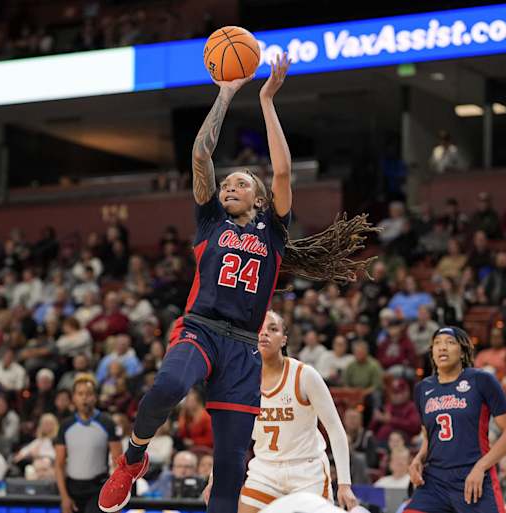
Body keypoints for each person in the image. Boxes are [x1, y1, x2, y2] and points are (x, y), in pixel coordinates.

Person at [98, 54, 376, 513]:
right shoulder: (209, 220)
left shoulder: (274, 230)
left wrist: (267, 99)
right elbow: (201, 154)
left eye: (241, 183)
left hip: (244, 346)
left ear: (259, 197)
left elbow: (283, 171)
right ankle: (131, 460)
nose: (228, 186)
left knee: (229, 473)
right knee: (168, 387)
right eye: (226, 183)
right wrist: (226, 93)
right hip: (201, 328)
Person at [204, 311, 358, 512]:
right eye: (259, 329)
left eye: (273, 329)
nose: (264, 334)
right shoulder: (241, 380)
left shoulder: (304, 375)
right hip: (265, 470)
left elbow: (335, 429)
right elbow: (230, 438)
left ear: (284, 340)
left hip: (306, 470)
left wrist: (345, 484)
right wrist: (215, 478)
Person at [406, 327, 506, 513]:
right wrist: (419, 458)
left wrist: (480, 467)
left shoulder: (482, 380)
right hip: (435, 480)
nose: (442, 347)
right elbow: (429, 437)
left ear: (463, 352)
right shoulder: (422, 389)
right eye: (437, 343)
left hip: (473, 475)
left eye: (450, 343)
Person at [56, 374, 121, 513]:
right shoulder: (65, 426)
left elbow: (118, 462)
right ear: (73, 397)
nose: (84, 398)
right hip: (72, 488)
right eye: (80, 394)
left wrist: (115, 496)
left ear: (95, 397)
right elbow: (59, 464)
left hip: (98, 487)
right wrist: (64, 497)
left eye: (89, 394)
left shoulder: (107, 423)